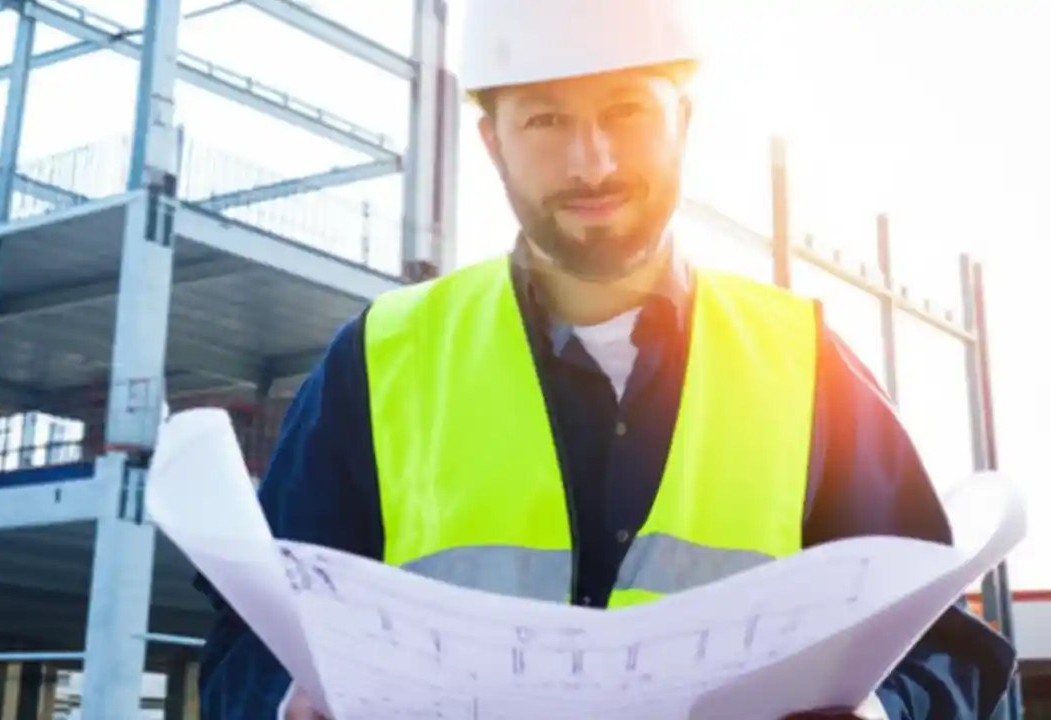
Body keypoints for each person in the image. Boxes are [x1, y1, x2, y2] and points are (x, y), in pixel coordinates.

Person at [196, 0, 1018, 717]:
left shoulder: (806, 366)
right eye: (546, 120)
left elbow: (942, 644)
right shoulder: (379, 361)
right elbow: (251, 633)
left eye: (624, 111)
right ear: (493, 144)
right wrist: (282, 704)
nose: (591, 163)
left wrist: (882, 712)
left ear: (684, 123)